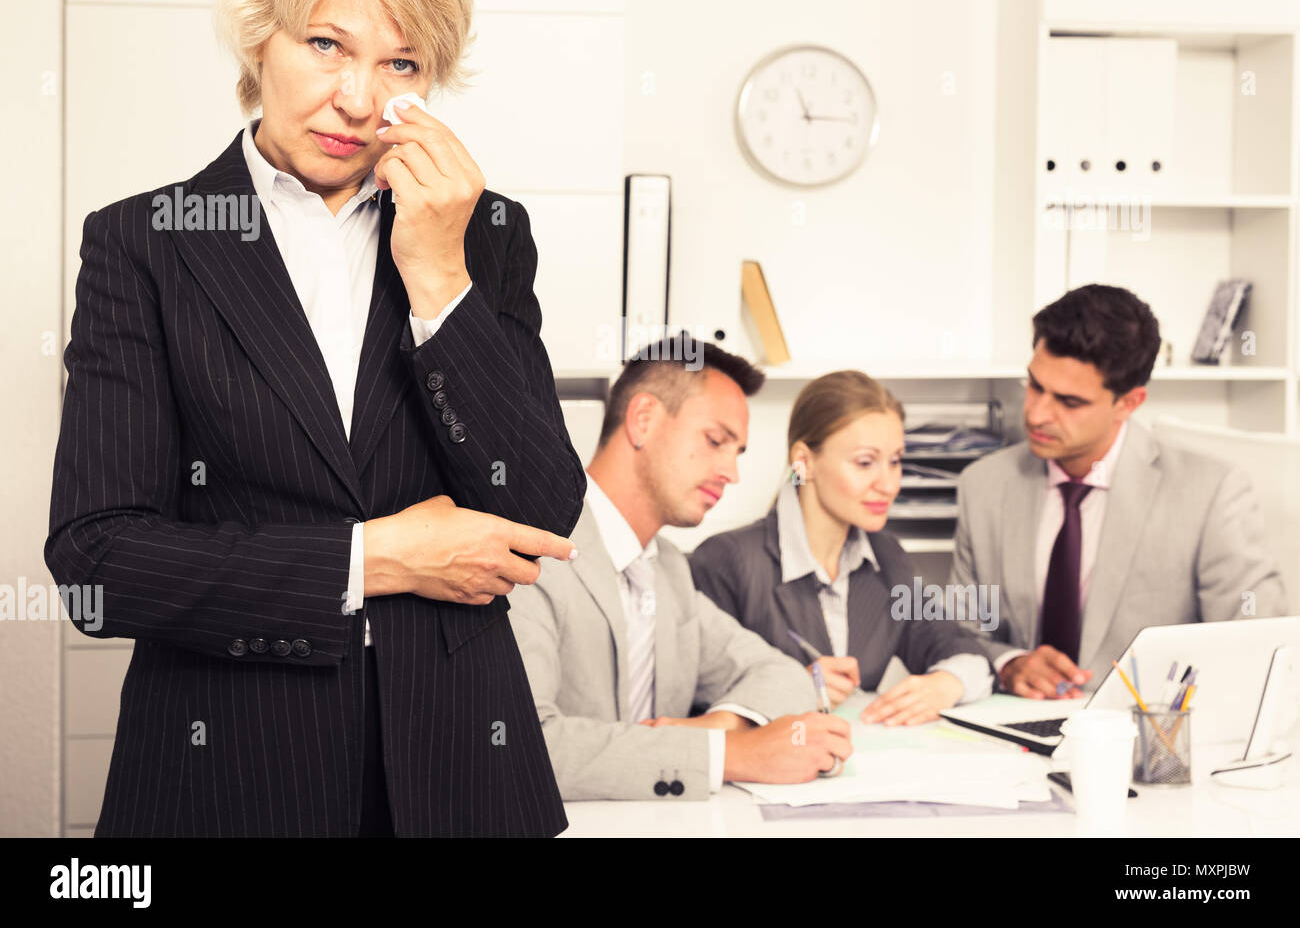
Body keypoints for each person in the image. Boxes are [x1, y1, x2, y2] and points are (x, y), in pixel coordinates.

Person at [43, 0, 585, 837]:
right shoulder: (144, 244)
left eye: (402, 65)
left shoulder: (485, 231)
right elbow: (97, 562)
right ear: (260, 34)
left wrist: (439, 277)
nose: (357, 98)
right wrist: (371, 558)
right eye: (326, 43)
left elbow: (539, 512)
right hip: (226, 781)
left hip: (461, 783)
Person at [507, 334, 853, 800]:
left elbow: (785, 673)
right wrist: (734, 753)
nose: (732, 473)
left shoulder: (668, 569)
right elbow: (523, 746)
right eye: (715, 441)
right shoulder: (530, 547)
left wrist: (717, 727)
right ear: (643, 419)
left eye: (737, 451)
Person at [950, 283, 1287, 700]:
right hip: (1011, 729)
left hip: (1151, 740)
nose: (1036, 414)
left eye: (1069, 402)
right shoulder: (984, 484)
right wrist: (1010, 663)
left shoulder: (1211, 492)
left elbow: (1255, 646)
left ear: (1129, 403)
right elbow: (958, 631)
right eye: (1035, 386)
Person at [690, 370, 994, 728]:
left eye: (895, 461)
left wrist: (946, 684)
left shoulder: (885, 555)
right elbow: (693, 700)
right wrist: (794, 687)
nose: (888, 484)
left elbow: (957, 645)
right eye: (865, 462)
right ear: (803, 462)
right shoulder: (727, 560)